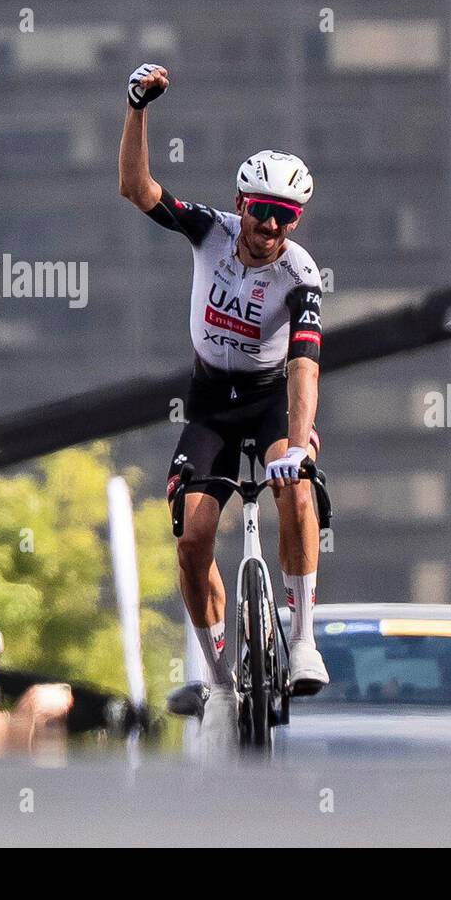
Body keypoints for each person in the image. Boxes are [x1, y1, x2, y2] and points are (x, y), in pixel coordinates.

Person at [117, 62, 329, 732]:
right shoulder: (206, 229)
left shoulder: (300, 275)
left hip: (270, 398)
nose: (272, 229)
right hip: (211, 399)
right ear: (242, 204)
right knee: (193, 534)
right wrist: (137, 108)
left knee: (297, 489)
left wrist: (297, 444)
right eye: (264, 212)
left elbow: (304, 365)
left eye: (286, 218)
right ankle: (213, 676)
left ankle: (302, 640)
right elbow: (136, 187)